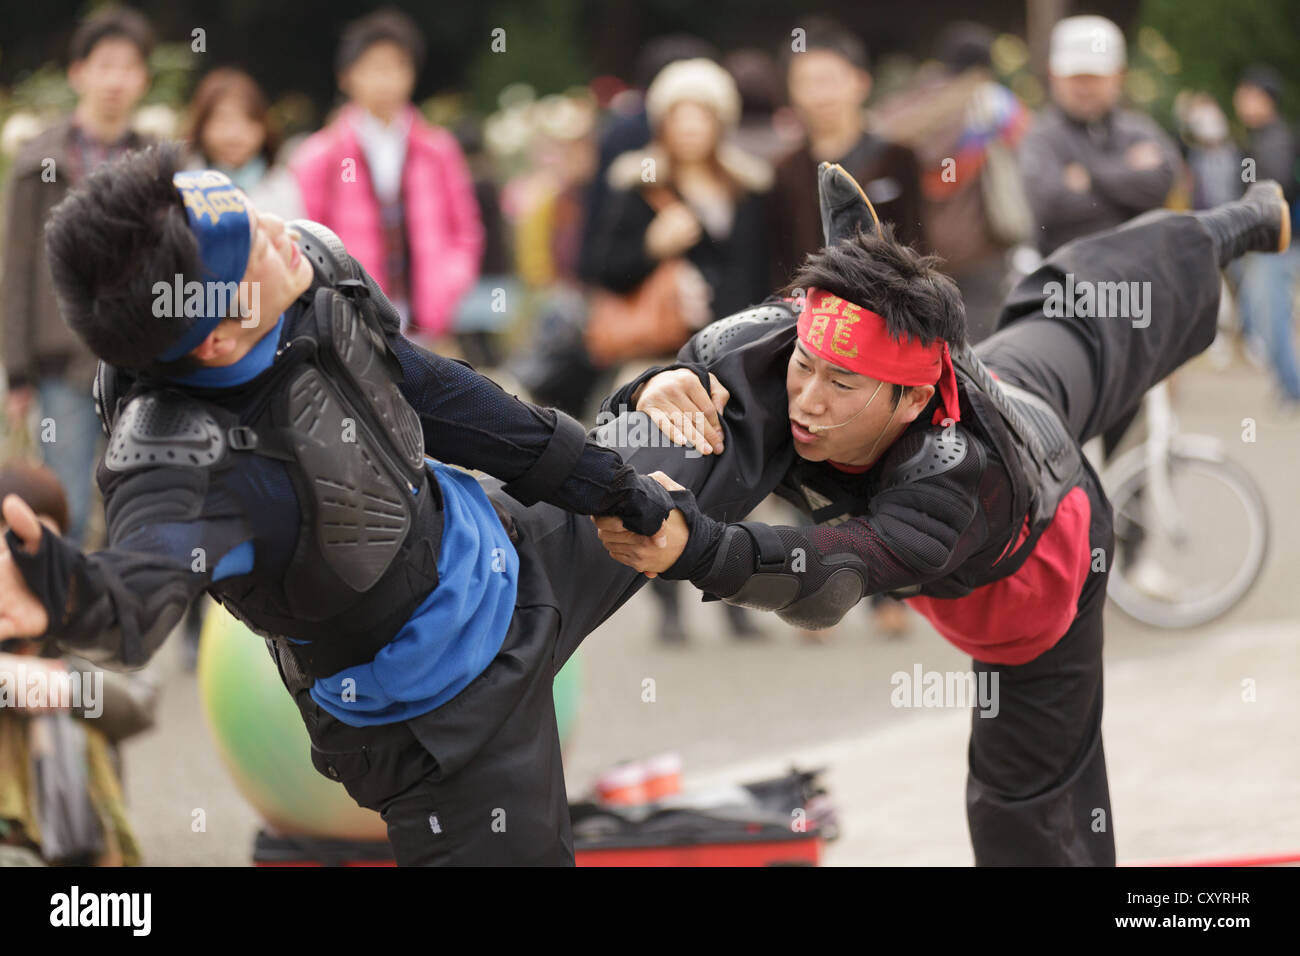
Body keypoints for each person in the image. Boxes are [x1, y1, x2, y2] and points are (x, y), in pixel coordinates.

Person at [0, 143, 782, 866]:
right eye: (255, 246)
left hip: (509, 547)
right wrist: (57, 590)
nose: (279, 229)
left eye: (251, 210)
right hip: (442, 726)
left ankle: (862, 294)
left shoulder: (313, 276)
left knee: (717, 419)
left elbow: (459, 405)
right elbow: (134, 597)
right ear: (216, 338)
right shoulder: (180, 459)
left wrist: (619, 490)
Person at [592, 162, 1290, 865]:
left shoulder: (951, 481)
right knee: (1084, 294)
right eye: (806, 368)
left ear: (912, 401)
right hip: (1013, 376)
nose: (806, 400)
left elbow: (832, 573)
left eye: (841, 384)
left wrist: (698, 550)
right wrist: (660, 383)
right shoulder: (792, 344)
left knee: (1021, 811)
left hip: (1040, 560)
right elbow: (712, 365)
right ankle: (1245, 220)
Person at [586, 57, 771, 645]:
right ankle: (664, 599)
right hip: (656, 357)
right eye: (679, 114)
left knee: (734, 471)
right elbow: (601, 270)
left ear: (721, 122)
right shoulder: (634, 184)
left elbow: (760, 271)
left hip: (730, 355)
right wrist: (650, 245)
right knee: (659, 472)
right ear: (662, 121)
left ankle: (736, 594)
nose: (691, 126)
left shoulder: (746, 186)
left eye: (703, 114)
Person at [1, 5, 155, 547]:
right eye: (103, 64)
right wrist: (16, 372)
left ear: (143, 78)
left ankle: (122, 624)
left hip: (143, 360)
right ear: (79, 72)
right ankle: (53, 624)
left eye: (128, 66)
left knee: (138, 497)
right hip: (60, 361)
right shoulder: (37, 161)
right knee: (62, 499)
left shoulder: (156, 164)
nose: (114, 79)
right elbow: (16, 264)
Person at [291, 7, 483, 338]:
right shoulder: (321, 155)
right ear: (347, 76)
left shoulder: (438, 151)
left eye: (397, 67)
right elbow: (304, 237)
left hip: (425, 321)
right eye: (374, 68)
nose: (386, 80)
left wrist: (447, 287)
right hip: (349, 322)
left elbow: (466, 231)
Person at [0, 461, 157, 866]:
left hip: (78, 832)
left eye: (41, 546)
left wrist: (68, 687)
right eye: (11, 540)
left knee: (78, 715)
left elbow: (140, 701)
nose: (25, 559)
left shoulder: (74, 610)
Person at [767, 16, 924, 292]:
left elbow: (921, 246)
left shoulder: (899, 159)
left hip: (891, 315)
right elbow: (779, 263)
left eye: (828, 79)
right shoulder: (784, 173)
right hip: (809, 322)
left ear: (861, 81)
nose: (819, 94)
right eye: (806, 82)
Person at [1231, 65, 1300, 418]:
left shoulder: (1275, 139)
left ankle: (1294, 387)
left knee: (1270, 319)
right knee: (1267, 317)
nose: (1240, 100)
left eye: (1248, 93)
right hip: (1268, 243)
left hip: (1275, 243)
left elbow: (1274, 189)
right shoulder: (1259, 138)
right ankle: (1290, 386)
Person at [184, 67, 303, 220]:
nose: (235, 135)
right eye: (223, 120)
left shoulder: (281, 185)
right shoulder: (184, 184)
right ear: (201, 126)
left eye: (248, 119)